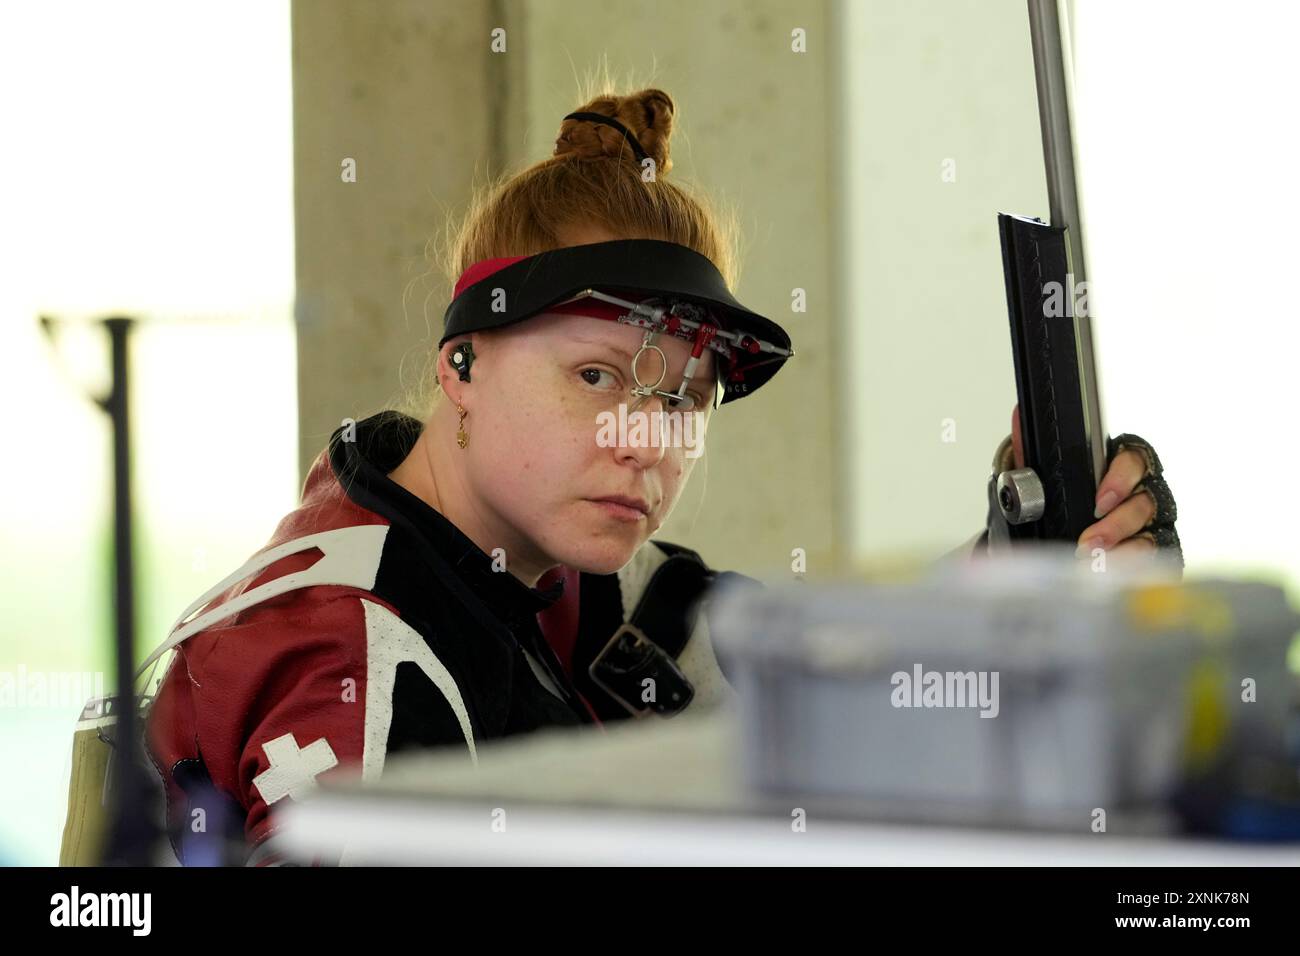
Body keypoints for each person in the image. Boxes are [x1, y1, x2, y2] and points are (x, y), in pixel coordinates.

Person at [144, 87, 1181, 866]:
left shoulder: (563, 577)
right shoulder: (347, 648)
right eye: (596, 375)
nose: (647, 438)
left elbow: (824, 684)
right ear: (459, 365)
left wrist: (1029, 566)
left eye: (683, 397)